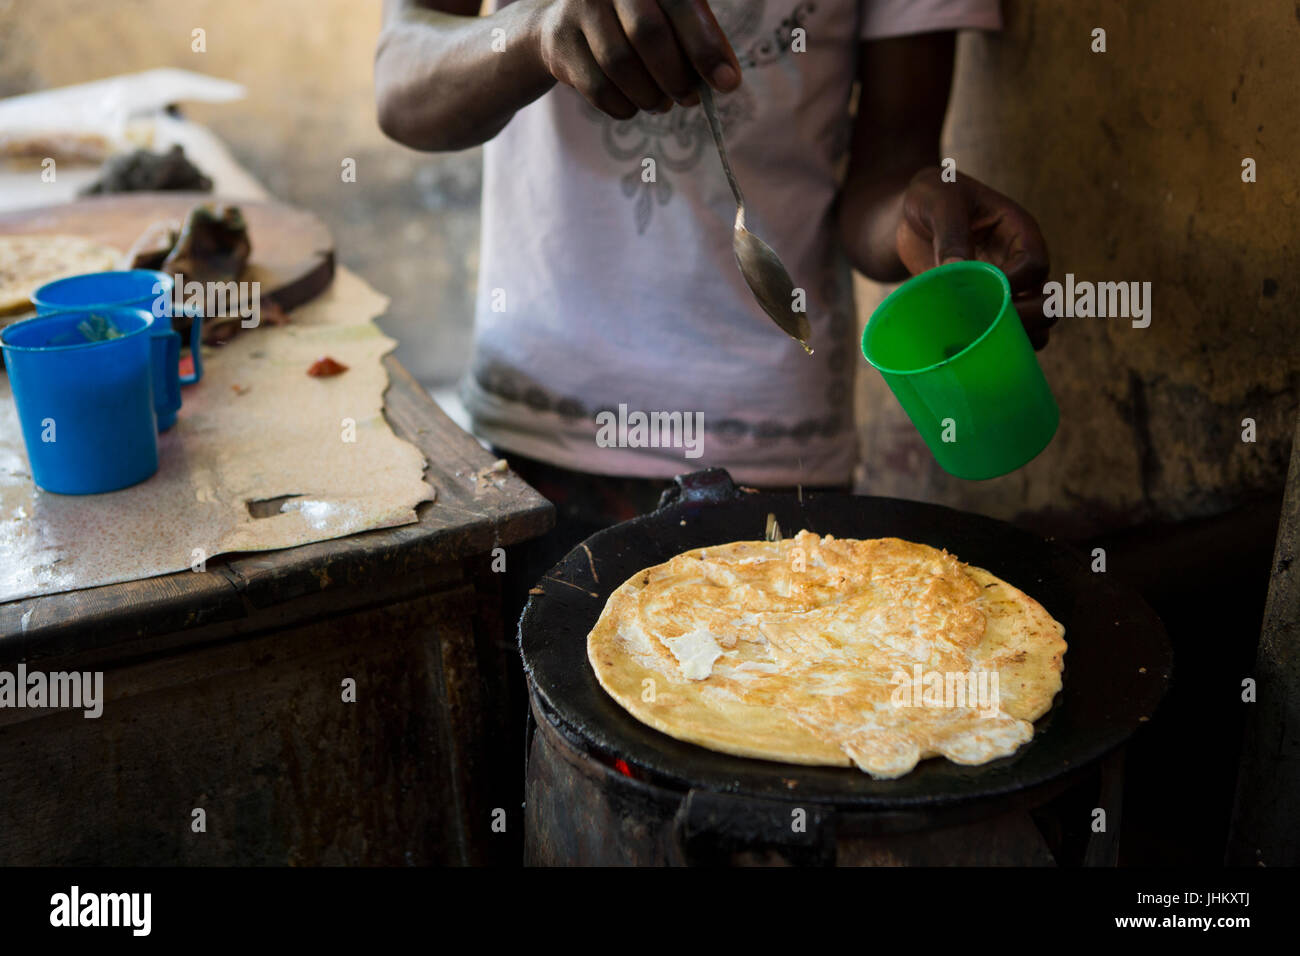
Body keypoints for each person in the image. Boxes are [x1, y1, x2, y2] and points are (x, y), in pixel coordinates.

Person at [375, 0, 1053, 575]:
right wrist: (534, 33)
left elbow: (890, 163)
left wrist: (918, 225)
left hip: (772, 454)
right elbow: (403, 80)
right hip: (536, 435)